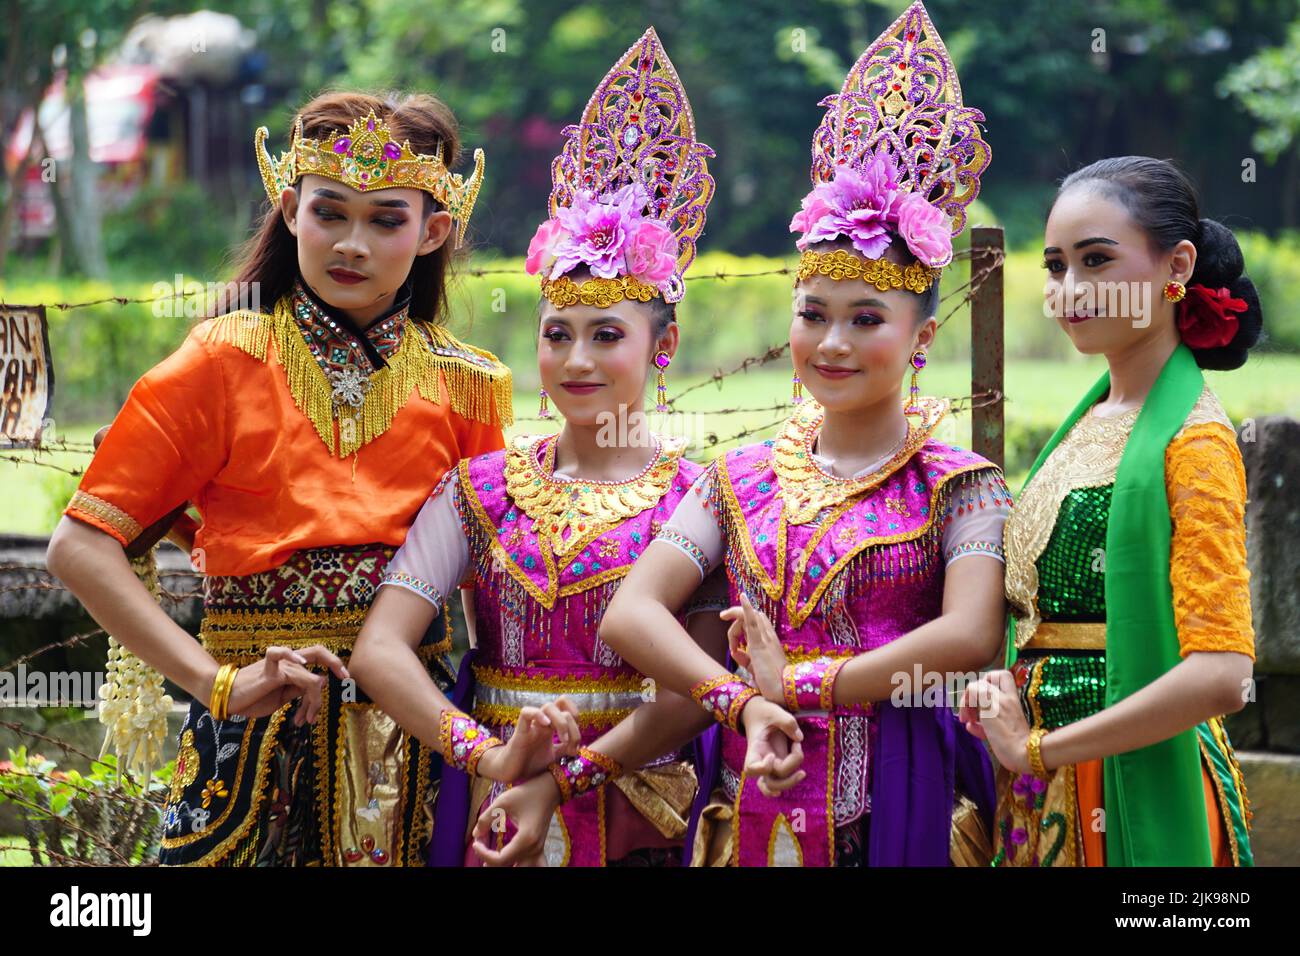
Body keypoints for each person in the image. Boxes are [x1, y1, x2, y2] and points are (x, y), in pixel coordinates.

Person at [45, 90, 521, 867]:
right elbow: (80, 546)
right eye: (330, 212)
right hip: (250, 738)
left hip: (412, 745)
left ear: (434, 232)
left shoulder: (468, 385)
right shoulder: (220, 362)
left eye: (386, 220)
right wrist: (214, 684)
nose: (352, 244)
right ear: (291, 209)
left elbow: (487, 601)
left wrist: (492, 752)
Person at [600, 2, 1007, 867]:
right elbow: (632, 613)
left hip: (902, 788)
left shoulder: (960, 482)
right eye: (813, 314)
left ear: (922, 339)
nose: (832, 342)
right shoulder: (737, 476)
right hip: (750, 782)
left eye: (867, 319)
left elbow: (971, 636)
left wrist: (809, 682)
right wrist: (740, 699)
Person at [352, 28, 747, 867]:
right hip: (492, 792)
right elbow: (381, 648)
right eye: (556, 333)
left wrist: (559, 780)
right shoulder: (480, 489)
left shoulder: (705, 495)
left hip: (643, 798)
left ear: (660, 349)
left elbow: (696, 687)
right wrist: (489, 755)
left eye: (607, 335)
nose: (576, 359)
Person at [961, 156, 1256, 866]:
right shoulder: (1093, 418)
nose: (1070, 290)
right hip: (1044, 784)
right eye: (1057, 266)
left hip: (1120, 777)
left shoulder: (1194, 442)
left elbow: (1222, 674)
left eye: (1097, 260)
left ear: (1175, 265)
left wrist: (1041, 748)